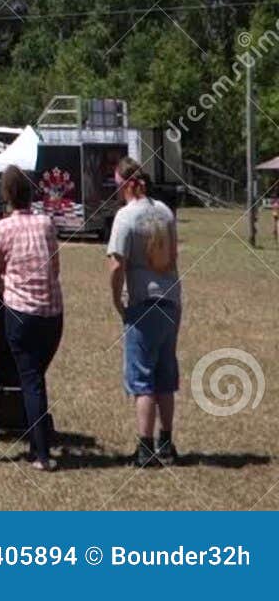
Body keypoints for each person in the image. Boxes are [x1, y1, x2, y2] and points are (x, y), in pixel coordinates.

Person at [107, 160, 182, 468]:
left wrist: (117, 300)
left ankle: (144, 448)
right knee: (165, 374)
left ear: (125, 184)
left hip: (143, 302)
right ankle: (167, 442)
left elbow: (116, 265)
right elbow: (174, 254)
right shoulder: (164, 212)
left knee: (143, 379)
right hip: (171, 300)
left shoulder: (125, 218)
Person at [0, 166, 64, 471]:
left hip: (21, 313)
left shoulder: (4, 228)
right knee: (36, 379)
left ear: (6, 195)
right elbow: (55, 267)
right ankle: (38, 438)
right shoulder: (46, 224)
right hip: (52, 316)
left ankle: (41, 453)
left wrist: (3, 284)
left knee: (31, 382)